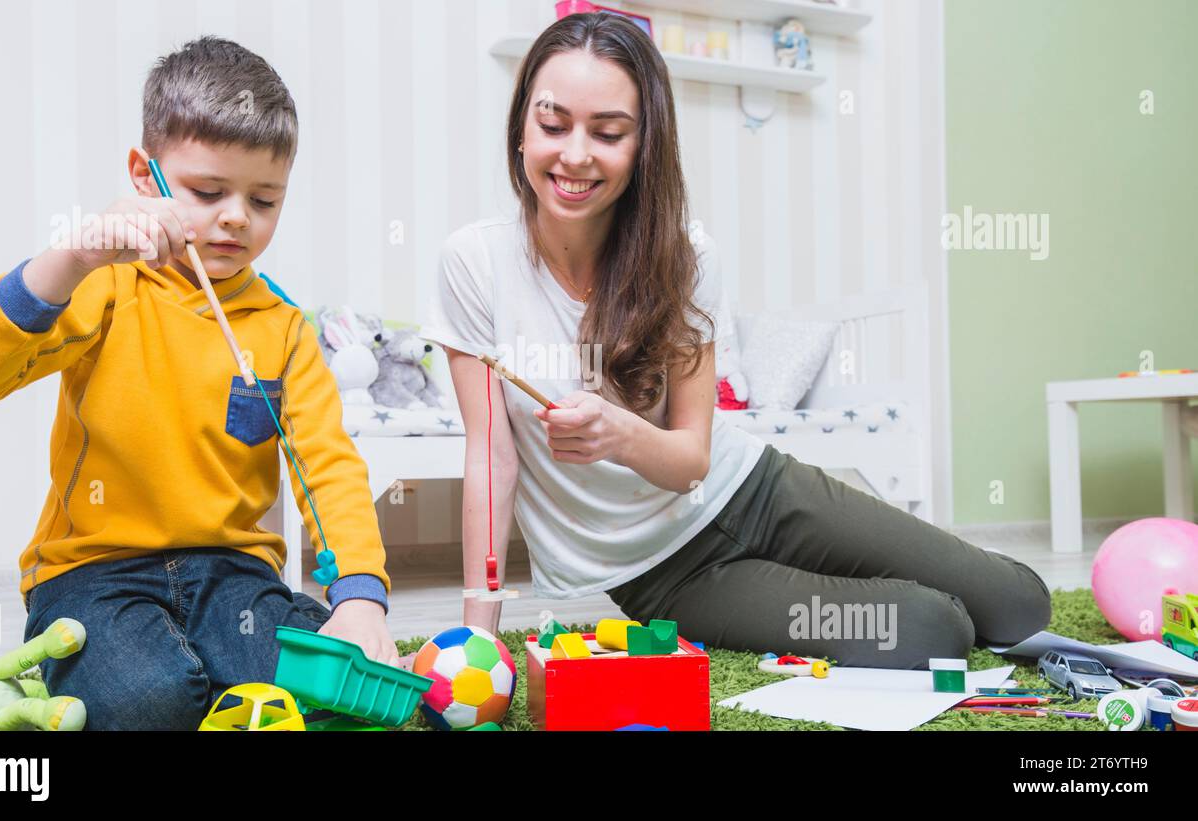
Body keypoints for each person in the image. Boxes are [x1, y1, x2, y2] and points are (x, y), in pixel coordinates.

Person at [420, 13, 1050, 669]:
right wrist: (479, 635)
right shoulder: (475, 263)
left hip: (756, 491)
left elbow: (692, 457)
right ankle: (928, 604)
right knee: (930, 628)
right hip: (668, 576)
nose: (575, 154)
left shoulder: (685, 256)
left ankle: (982, 588)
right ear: (521, 127)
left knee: (1014, 602)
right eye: (553, 125)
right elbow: (491, 457)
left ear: (642, 147)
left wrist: (617, 433)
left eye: (607, 133)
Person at [0, 36, 398, 730]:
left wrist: (360, 596)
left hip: (232, 576)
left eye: (264, 199)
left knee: (321, 681)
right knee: (156, 697)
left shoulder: (285, 328)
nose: (237, 215)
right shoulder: (104, 287)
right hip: (94, 573)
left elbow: (330, 469)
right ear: (144, 177)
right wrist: (75, 256)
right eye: (208, 192)